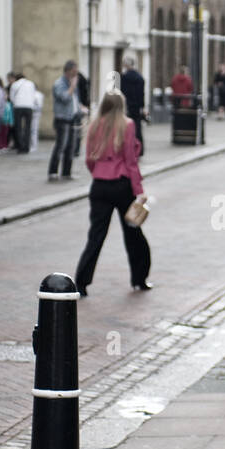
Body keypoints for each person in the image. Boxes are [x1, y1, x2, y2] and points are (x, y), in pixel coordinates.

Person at [73, 90, 151, 296]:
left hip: (99, 186)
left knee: (96, 236)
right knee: (133, 233)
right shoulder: (127, 125)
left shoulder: (94, 125)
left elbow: (89, 160)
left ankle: (81, 282)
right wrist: (139, 191)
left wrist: (99, 174)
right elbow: (130, 161)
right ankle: (139, 279)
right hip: (121, 185)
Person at [49, 60, 80, 181]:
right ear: (68, 71)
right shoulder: (60, 83)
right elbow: (65, 98)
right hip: (62, 119)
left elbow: (74, 99)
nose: (76, 74)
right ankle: (53, 172)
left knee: (71, 146)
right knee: (61, 145)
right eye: (74, 71)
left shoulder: (71, 83)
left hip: (72, 118)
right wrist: (72, 86)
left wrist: (80, 108)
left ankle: (66, 172)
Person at [119, 56, 146, 156]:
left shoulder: (124, 78)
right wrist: (142, 107)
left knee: (126, 129)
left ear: (126, 65)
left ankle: (128, 149)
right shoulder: (139, 78)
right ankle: (139, 149)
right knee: (137, 129)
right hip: (136, 107)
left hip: (126, 107)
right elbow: (141, 94)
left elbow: (121, 93)